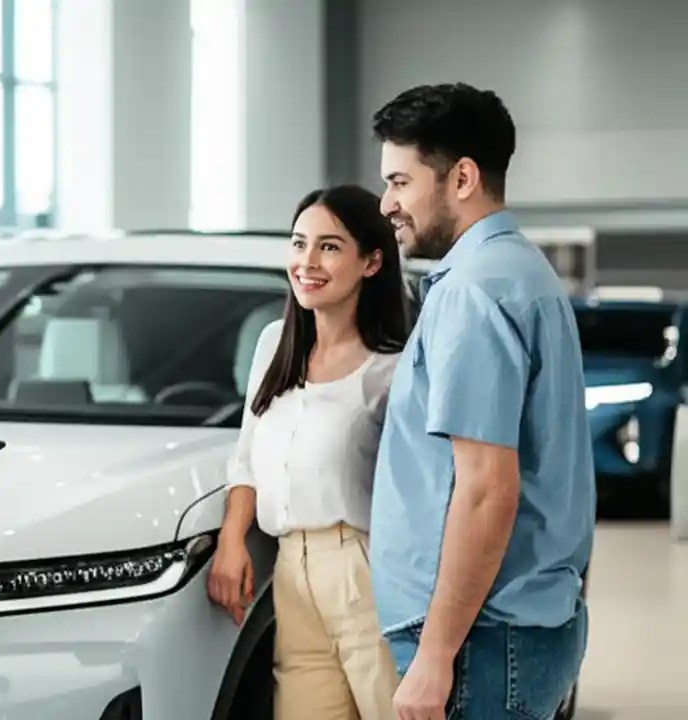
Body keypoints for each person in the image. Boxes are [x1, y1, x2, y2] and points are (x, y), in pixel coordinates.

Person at [369, 83, 595, 719]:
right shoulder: (520, 273)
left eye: (400, 182)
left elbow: (486, 489)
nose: (388, 204)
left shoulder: (476, 292)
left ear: (461, 177)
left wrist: (436, 654)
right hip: (505, 631)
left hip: (480, 640)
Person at [208, 184, 411, 719]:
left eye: (329, 246)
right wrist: (232, 539)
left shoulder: (393, 368)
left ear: (371, 262)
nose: (307, 262)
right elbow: (247, 457)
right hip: (290, 573)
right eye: (299, 244)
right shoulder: (275, 342)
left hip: (363, 568)